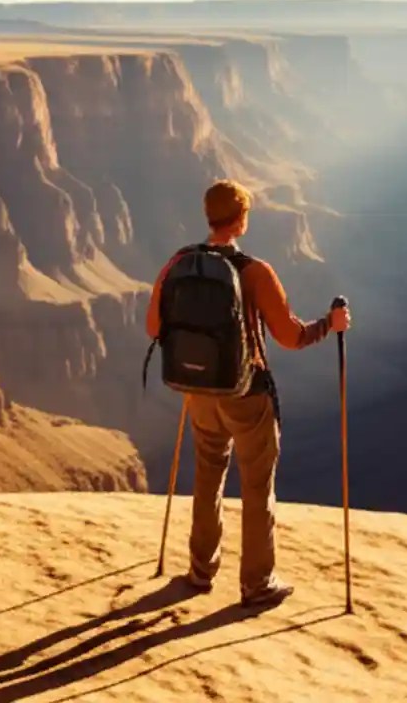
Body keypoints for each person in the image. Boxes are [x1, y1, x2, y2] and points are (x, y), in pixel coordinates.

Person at [145, 179, 351, 607]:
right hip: (248, 394)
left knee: (207, 479)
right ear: (241, 219)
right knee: (257, 488)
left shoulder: (178, 263)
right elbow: (290, 336)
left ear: (208, 215)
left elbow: (153, 329)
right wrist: (329, 325)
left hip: (199, 394)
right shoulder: (254, 271)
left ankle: (201, 572)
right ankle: (256, 584)